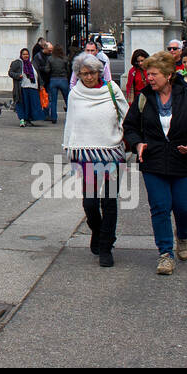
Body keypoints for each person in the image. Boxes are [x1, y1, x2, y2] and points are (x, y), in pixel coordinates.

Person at [122, 51, 187, 275]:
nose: (149, 78)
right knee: (160, 208)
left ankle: (183, 236)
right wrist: (138, 144)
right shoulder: (143, 98)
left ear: (168, 74)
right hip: (153, 161)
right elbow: (131, 126)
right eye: (147, 74)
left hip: (183, 159)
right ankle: (165, 253)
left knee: (185, 207)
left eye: (154, 74)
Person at [62, 52, 130, 267]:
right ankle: (98, 231)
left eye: (91, 73)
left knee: (109, 201)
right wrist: (69, 148)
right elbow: (70, 124)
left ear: (99, 72)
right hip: (86, 155)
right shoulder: (75, 94)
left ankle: (106, 247)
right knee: (90, 203)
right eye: (83, 74)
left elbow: (126, 116)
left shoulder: (111, 90)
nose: (88, 77)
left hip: (111, 153)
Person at [8, 48, 44, 127]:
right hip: (22, 88)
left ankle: (29, 119)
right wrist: (18, 76)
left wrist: (41, 84)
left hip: (33, 87)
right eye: (24, 54)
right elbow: (10, 72)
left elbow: (38, 74)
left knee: (32, 105)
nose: (26, 56)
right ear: (21, 55)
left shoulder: (32, 63)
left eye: (27, 54)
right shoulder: (17, 63)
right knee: (23, 104)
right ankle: (23, 119)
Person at [46, 42, 70, 124]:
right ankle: (70, 116)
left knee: (53, 100)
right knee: (67, 99)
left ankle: (54, 117)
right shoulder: (65, 58)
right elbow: (68, 70)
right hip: (63, 79)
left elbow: (47, 70)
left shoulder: (50, 59)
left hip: (53, 79)